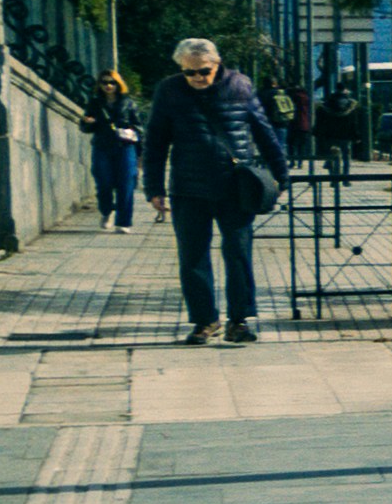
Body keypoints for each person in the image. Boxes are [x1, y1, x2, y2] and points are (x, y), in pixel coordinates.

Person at [140, 31, 294, 344]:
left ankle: (239, 320)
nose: (197, 77)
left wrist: (282, 176)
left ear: (217, 64)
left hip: (234, 185)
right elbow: (155, 141)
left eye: (203, 70)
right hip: (188, 186)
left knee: (238, 251)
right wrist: (154, 188)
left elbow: (264, 132)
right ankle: (204, 321)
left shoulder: (240, 85)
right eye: (189, 71)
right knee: (192, 256)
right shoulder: (169, 91)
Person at [87, 66, 140, 229]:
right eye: (104, 83)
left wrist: (132, 134)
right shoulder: (95, 103)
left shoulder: (128, 103)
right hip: (102, 147)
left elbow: (139, 127)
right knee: (103, 182)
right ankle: (107, 210)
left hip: (124, 147)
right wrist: (87, 122)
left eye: (112, 82)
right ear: (100, 85)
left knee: (126, 184)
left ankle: (123, 222)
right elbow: (85, 127)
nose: (109, 86)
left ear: (118, 84)